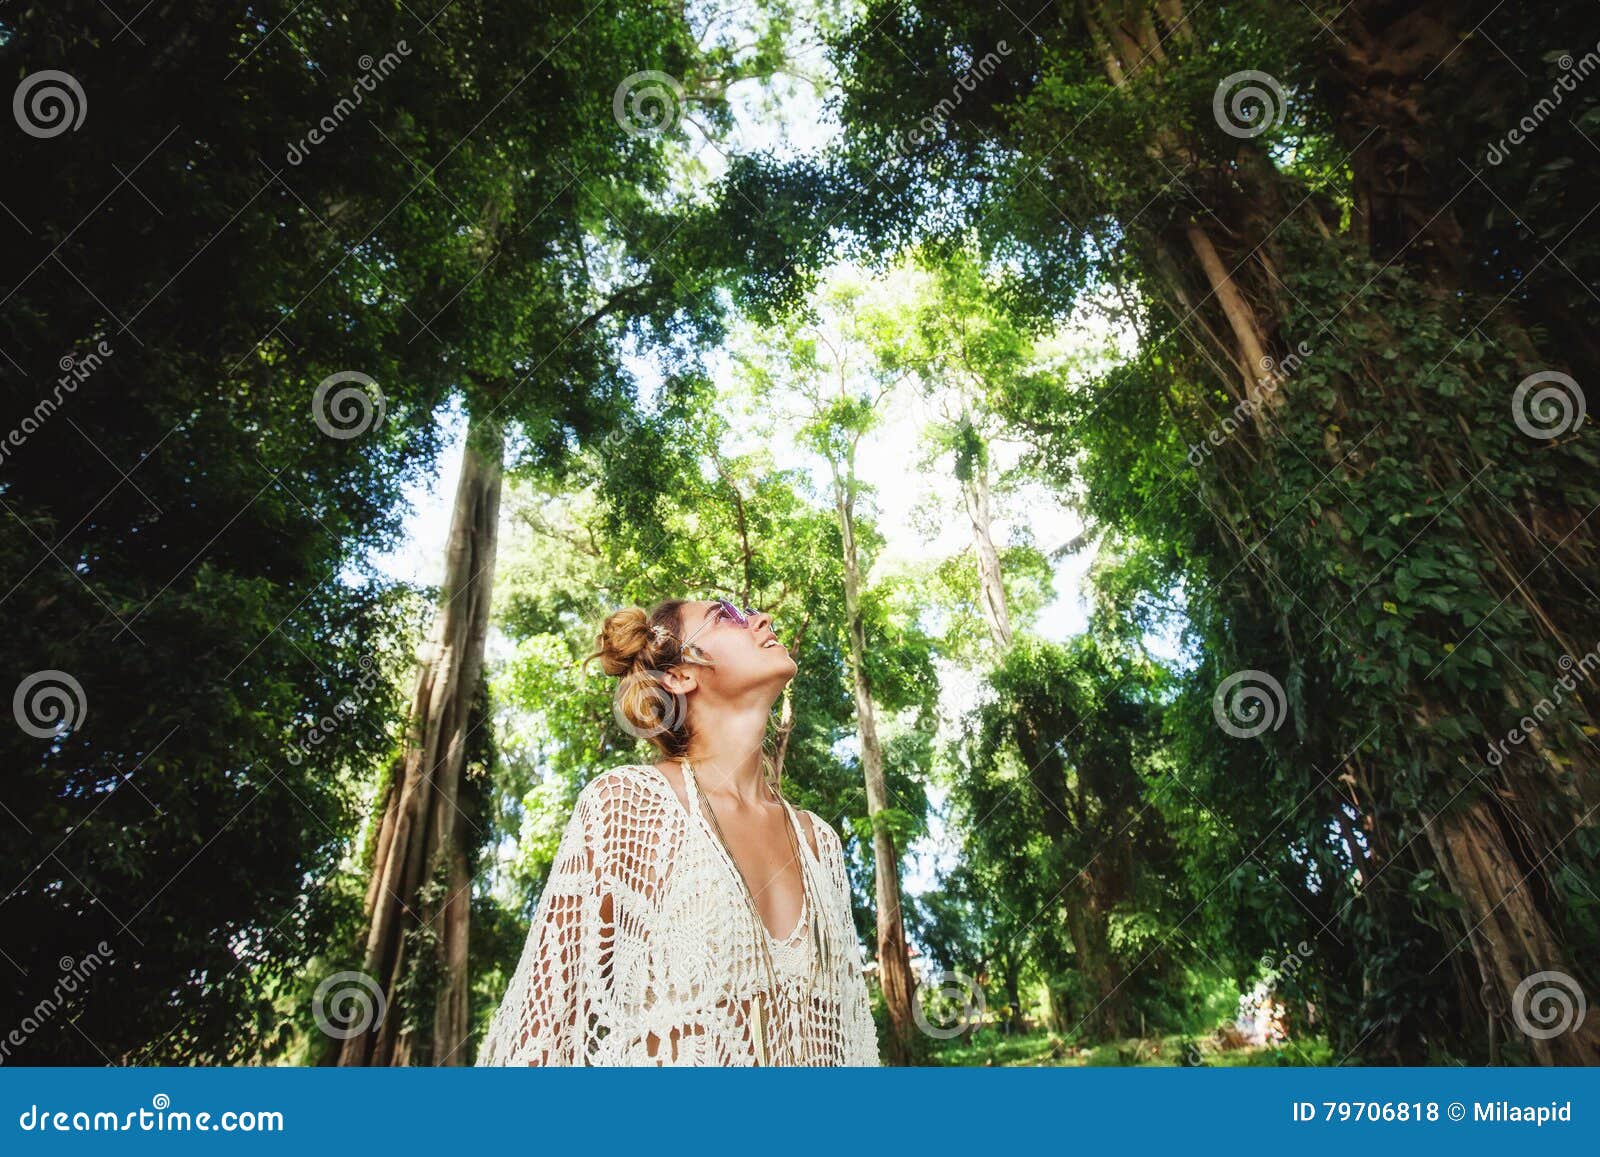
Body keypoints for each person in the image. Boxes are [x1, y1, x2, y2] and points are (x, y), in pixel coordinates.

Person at [476, 597, 880, 1066]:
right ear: (681, 675)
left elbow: (853, 1045)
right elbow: (538, 1034)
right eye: (724, 614)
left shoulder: (819, 843)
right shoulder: (630, 805)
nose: (761, 620)